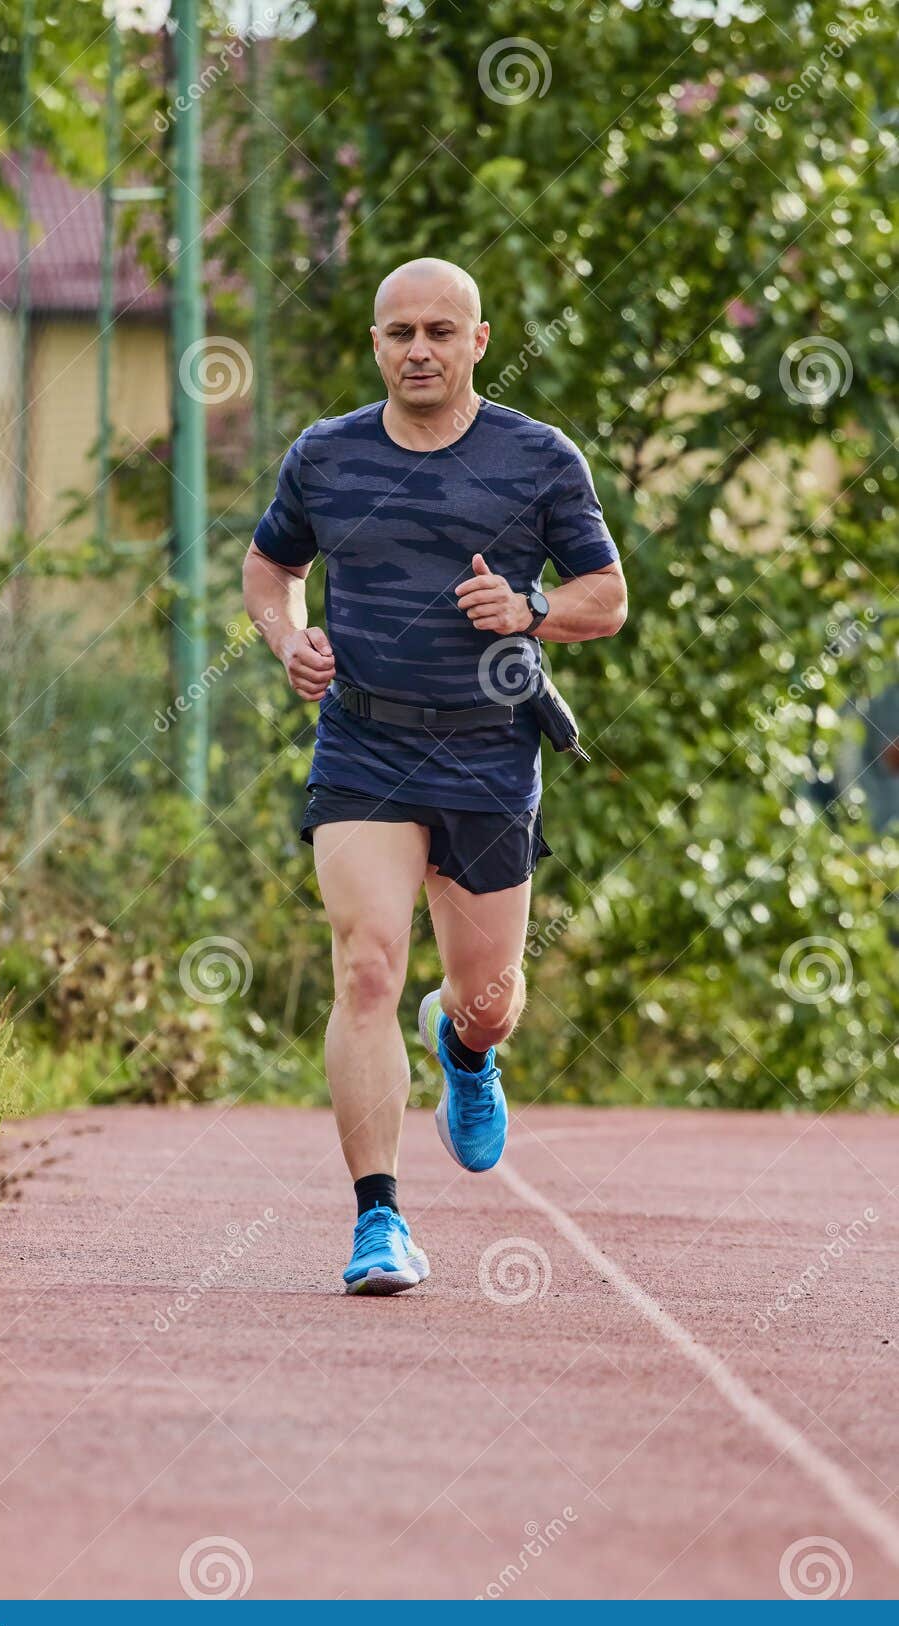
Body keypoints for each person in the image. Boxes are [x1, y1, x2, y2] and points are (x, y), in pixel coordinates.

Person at [242, 257, 626, 1294]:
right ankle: (378, 1221)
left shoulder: (537, 459)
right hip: (363, 743)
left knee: (486, 995)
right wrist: (286, 640)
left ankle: (467, 1050)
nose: (417, 349)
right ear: (375, 345)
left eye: (438, 332)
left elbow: (606, 594)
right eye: (398, 332)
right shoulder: (324, 455)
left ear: (477, 341)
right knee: (365, 964)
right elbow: (270, 566)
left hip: (488, 751)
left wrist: (531, 611)